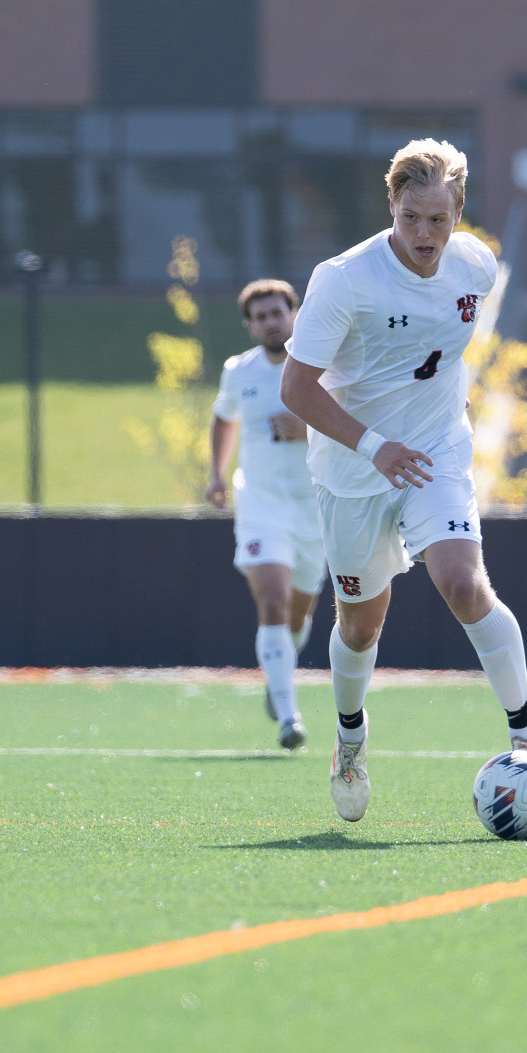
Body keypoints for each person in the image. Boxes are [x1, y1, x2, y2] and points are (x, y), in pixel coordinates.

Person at [279, 138, 527, 823]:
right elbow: (296, 388)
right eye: (410, 218)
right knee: (361, 628)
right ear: (391, 207)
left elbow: (440, 349)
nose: (424, 234)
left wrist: (442, 413)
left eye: (438, 218)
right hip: (351, 471)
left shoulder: (478, 266)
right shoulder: (344, 279)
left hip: (434, 452)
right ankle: (348, 738)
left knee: (463, 583)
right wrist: (375, 445)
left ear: (459, 211)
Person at [207, 278, 325, 750]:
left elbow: (358, 427)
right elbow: (223, 415)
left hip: (315, 509)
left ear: (294, 314)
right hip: (260, 504)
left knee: (297, 618)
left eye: (277, 312)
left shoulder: (323, 368)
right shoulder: (239, 371)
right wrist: (216, 474)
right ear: (250, 326)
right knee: (272, 603)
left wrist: (307, 430)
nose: (271, 322)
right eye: (260, 317)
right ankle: (289, 716)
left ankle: (277, 676)